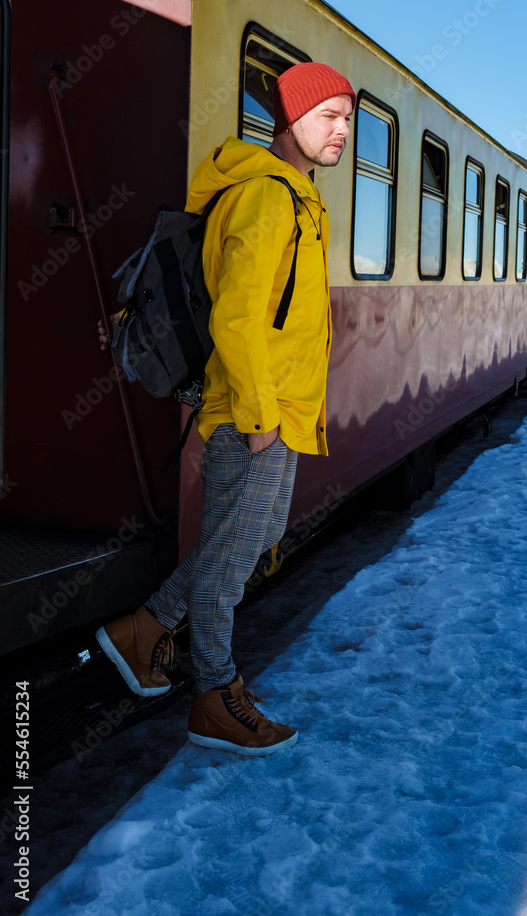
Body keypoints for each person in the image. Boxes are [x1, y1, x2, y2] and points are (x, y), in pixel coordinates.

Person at [97, 63, 355, 757]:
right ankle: (215, 692)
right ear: (290, 118)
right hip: (256, 413)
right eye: (327, 115)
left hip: (281, 409)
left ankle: (145, 630)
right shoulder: (267, 198)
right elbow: (238, 317)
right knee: (230, 557)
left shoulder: (296, 196)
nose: (341, 131)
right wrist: (259, 414)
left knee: (243, 544)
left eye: (347, 118)